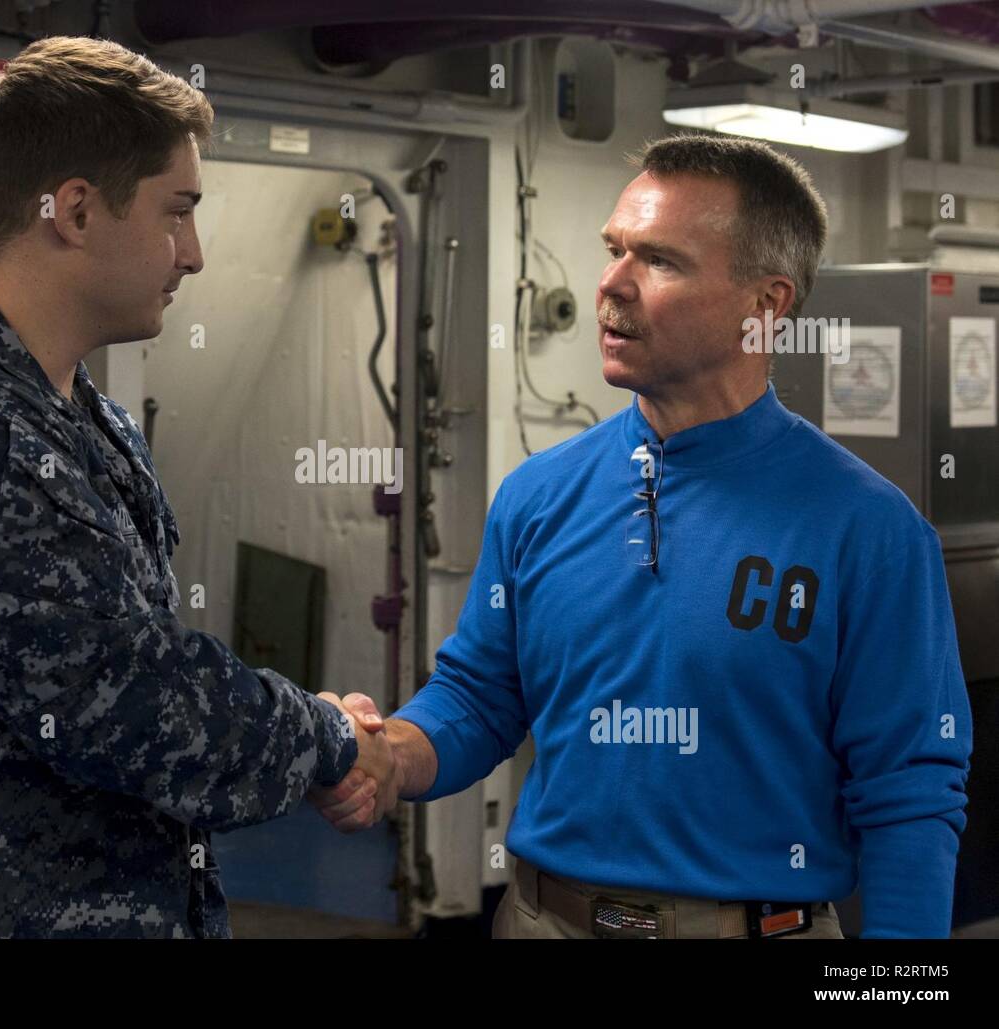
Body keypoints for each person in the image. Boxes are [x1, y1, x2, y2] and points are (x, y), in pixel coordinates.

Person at [311, 134, 973, 939]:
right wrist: (389, 754)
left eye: (659, 260)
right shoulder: (538, 493)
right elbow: (482, 696)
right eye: (613, 248)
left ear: (765, 305)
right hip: (541, 922)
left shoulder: (869, 530)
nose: (611, 284)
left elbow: (909, 790)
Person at [0, 36, 394, 939]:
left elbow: (130, 652)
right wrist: (321, 737)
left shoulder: (83, 419)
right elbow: (117, 695)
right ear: (76, 211)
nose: (193, 253)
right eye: (177, 212)